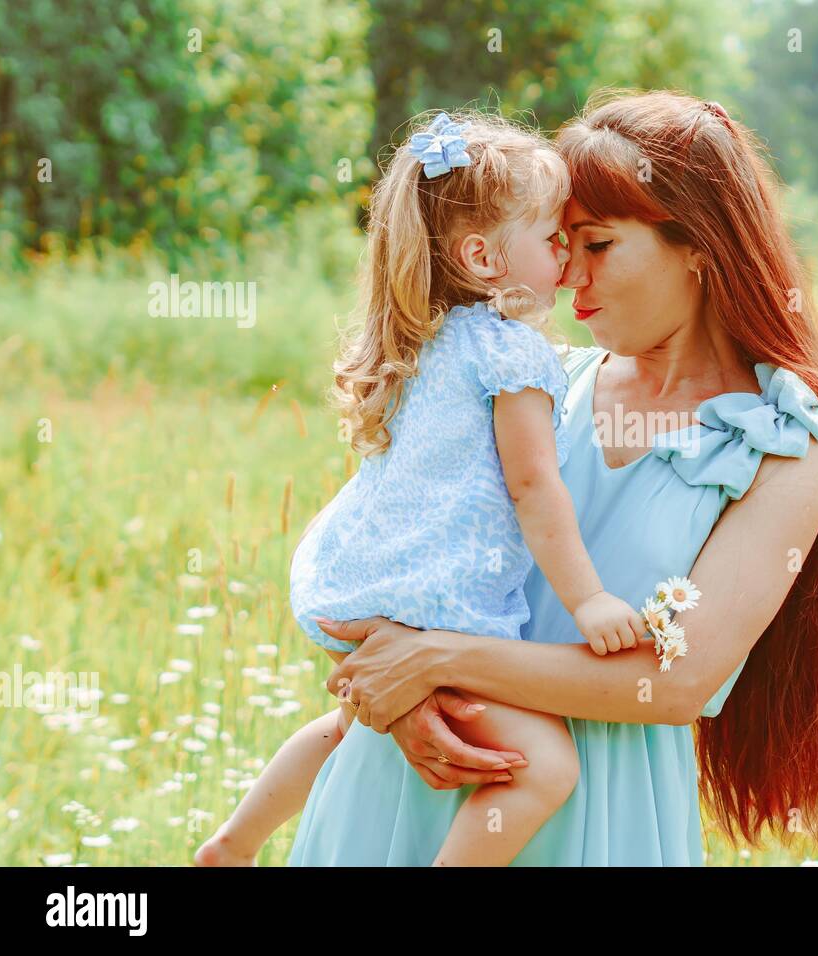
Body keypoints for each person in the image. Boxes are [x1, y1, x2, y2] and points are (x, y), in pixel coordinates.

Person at [290, 90, 818, 866]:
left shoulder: (783, 442)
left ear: (699, 245)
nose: (569, 273)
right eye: (559, 242)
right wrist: (403, 698)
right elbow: (359, 546)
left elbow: (675, 682)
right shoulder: (529, 386)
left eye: (598, 244)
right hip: (419, 777)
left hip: (595, 816)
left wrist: (434, 660)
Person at [196, 109, 648, 867]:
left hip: (367, 586)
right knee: (549, 766)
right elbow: (535, 492)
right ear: (482, 255)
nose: (567, 257)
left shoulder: (423, 341)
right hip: (441, 603)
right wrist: (591, 602)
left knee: (348, 725)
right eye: (550, 239)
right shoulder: (514, 357)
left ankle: (234, 842)